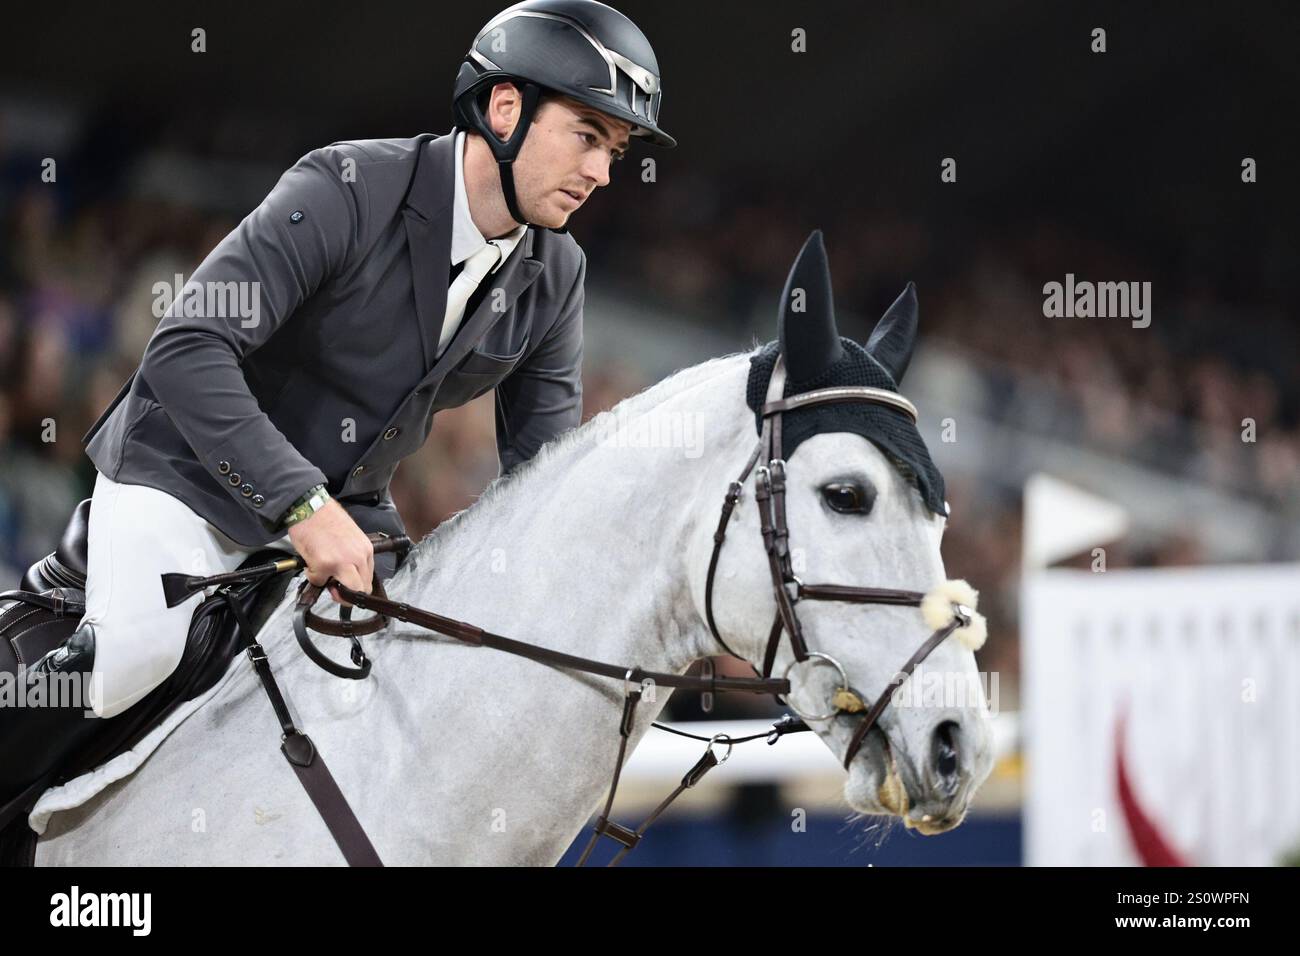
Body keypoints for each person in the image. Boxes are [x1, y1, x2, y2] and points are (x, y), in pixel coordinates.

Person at [11, 0, 675, 748]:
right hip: (186, 476)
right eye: (588, 136)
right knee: (135, 660)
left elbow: (545, 478)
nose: (601, 173)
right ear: (505, 106)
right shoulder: (348, 186)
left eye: (614, 152)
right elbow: (186, 349)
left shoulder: (557, 272)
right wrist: (303, 508)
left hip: (352, 519)